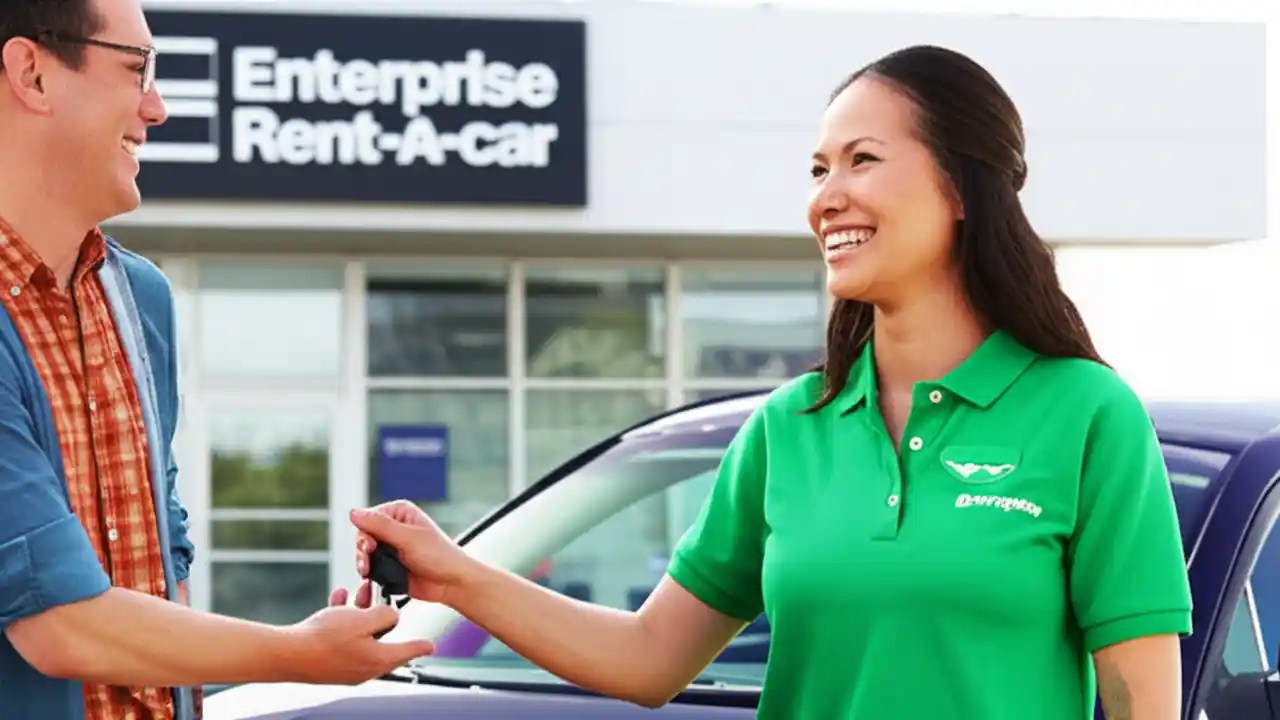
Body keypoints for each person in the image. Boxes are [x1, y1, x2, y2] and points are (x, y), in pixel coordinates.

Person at [348, 44, 1193, 720]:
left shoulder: (1087, 415)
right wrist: (453, 574)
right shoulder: (790, 427)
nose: (829, 197)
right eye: (819, 169)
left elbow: (1139, 704)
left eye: (862, 160)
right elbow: (647, 660)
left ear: (962, 187)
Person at [0, 1, 434, 718]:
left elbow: (163, 554)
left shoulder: (141, 301)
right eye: (137, 68)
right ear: (32, 74)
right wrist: (301, 652)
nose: (158, 107)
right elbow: (59, 622)